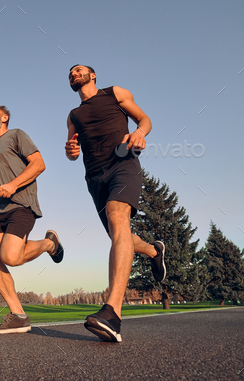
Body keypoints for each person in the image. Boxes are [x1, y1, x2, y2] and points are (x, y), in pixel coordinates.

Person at [65, 65, 166, 342]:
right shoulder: (73, 115)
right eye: (71, 72)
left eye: (79, 70)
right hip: (94, 176)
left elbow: (144, 119)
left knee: (117, 217)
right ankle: (154, 252)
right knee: (117, 233)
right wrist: (70, 150)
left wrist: (140, 133)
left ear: (93, 75)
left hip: (123, 164)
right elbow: (72, 150)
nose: (74, 73)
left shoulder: (115, 93)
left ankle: (112, 313)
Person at [0, 105, 64, 334]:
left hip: (20, 204)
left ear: (4, 117)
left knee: (9, 256)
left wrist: (13, 185)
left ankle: (50, 244)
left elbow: (39, 164)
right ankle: (18, 315)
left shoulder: (16, 134)